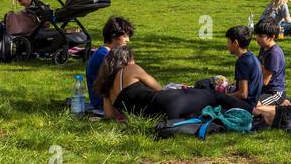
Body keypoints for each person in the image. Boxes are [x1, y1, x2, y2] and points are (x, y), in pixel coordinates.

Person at [94, 45, 250, 122]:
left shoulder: (107, 89)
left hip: (156, 117)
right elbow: (158, 88)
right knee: (213, 95)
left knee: (201, 104)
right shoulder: (131, 68)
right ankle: (255, 112)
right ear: (127, 59)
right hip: (167, 102)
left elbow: (109, 116)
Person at [87, 16, 135, 115]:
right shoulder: (104, 55)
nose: (128, 40)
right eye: (125, 36)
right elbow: (123, 78)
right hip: (103, 102)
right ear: (114, 36)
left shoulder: (108, 53)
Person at [253, 19, 289, 122]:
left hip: (274, 92)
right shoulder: (264, 48)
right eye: (257, 35)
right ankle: (283, 104)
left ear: (272, 37)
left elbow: (265, 81)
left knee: (253, 107)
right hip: (264, 90)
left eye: (261, 36)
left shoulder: (274, 54)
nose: (257, 39)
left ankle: (284, 108)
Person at [226, 25, 265, 111]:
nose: (227, 44)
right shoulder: (252, 57)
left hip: (245, 106)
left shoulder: (242, 62)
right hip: (253, 102)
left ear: (235, 43)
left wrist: (224, 97)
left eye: (228, 41)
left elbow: (243, 94)